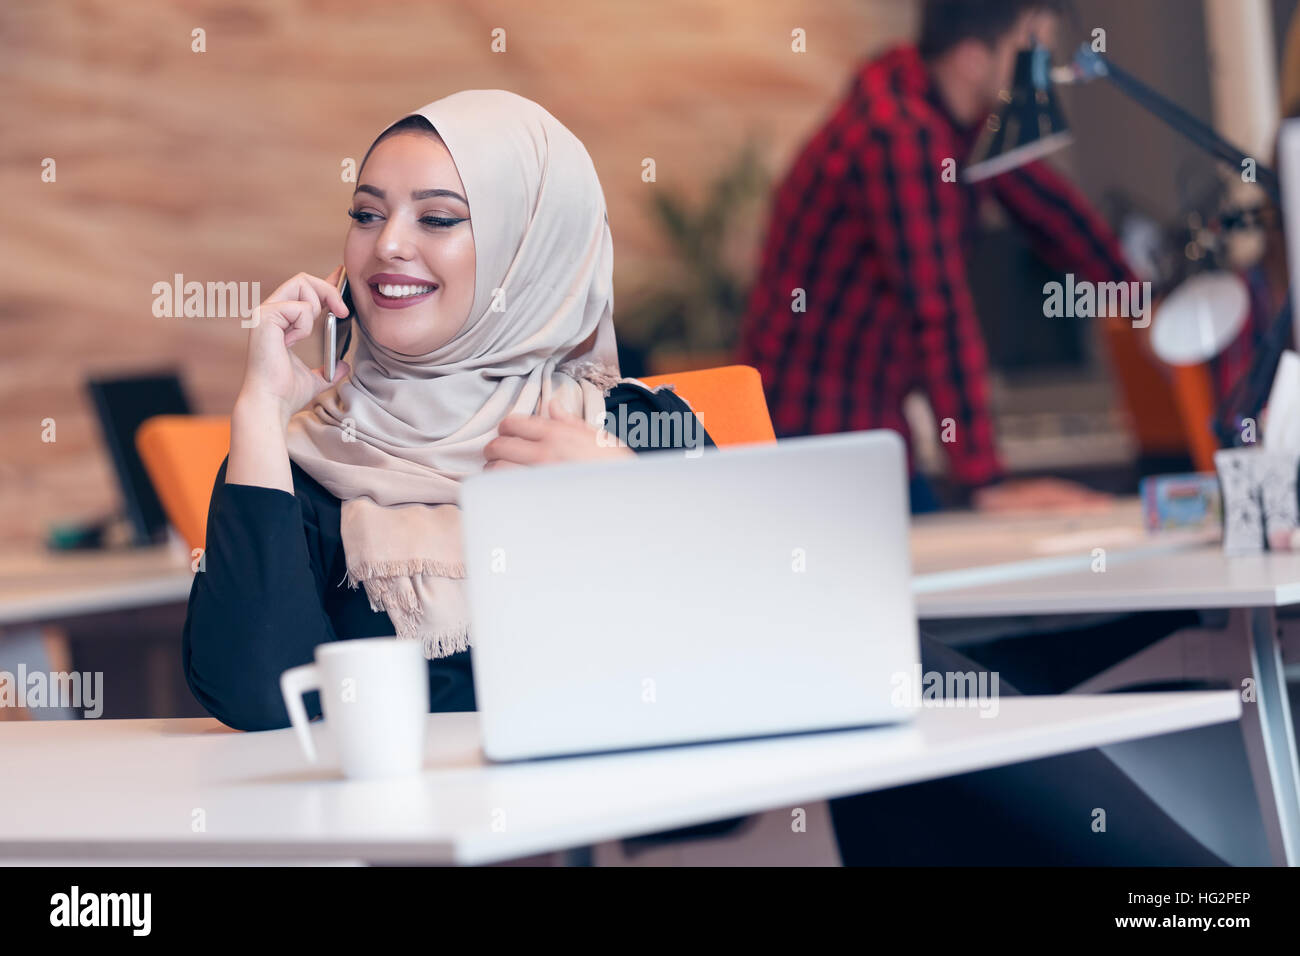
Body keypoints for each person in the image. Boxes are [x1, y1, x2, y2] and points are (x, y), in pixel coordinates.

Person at [183, 90, 1222, 866]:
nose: (387, 246)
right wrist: (257, 412)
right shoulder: (309, 458)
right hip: (468, 816)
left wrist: (628, 497)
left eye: (438, 217)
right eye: (367, 213)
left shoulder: (634, 422)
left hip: (686, 780)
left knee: (919, 700)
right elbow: (249, 691)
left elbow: (809, 622)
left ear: (527, 250)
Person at [735, 0, 1127, 515]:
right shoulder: (900, 134)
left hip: (864, 429)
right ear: (971, 58)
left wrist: (1139, 294)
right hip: (812, 438)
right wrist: (986, 483)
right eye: (1030, 53)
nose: (1043, 72)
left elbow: (1054, 213)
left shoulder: (953, 117)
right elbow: (938, 310)